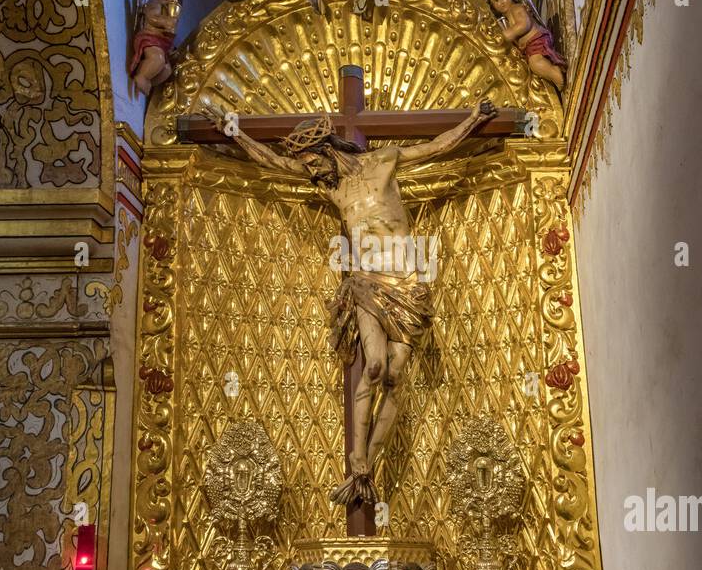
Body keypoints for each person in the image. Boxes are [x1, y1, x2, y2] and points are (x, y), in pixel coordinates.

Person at [201, 90, 497, 507]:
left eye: (311, 163)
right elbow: (273, 162)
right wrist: (233, 133)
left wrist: (471, 121)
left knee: (396, 375)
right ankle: (356, 455)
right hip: (365, 278)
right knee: (373, 366)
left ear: (324, 149)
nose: (310, 172)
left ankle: (367, 468)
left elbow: (434, 147)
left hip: (407, 279)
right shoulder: (335, 190)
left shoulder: (383, 162)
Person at [488, 0, 566, 92]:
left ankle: (556, 74)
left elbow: (525, 24)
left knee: (536, 63)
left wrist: (509, 33)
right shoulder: (505, 21)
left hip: (537, 39)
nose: (501, 1)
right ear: (493, 7)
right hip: (529, 46)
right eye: (496, 0)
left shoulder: (516, 8)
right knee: (532, 65)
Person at [129, 0, 183, 95]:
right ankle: (142, 76)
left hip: (159, 44)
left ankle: (148, 78)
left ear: (177, 1)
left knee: (167, 70)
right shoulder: (156, 4)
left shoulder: (169, 13)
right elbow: (151, 17)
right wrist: (165, 21)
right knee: (158, 59)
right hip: (148, 38)